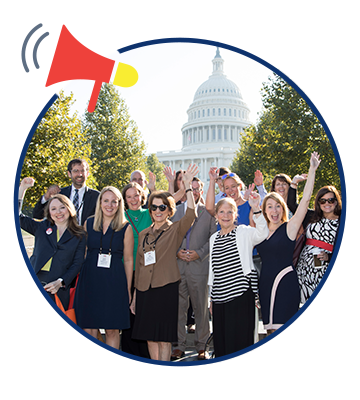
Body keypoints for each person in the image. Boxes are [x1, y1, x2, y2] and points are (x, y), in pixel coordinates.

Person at [130, 164, 198, 361]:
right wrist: (135, 295)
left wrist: (187, 188)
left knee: (164, 339)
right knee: (150, 338)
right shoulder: (143, 234)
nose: (158, 210)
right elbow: (141, 265)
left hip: (165, 289)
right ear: (149, 210)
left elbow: (191, 214)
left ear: (169, 210)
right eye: (154, 207)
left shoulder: (175, 229)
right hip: (144, 290)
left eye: (162, 207)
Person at [256, 152, 321, 334]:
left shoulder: (290, 228)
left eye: (278, 206)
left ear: (283, 209)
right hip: (265, 285)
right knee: (269, 331)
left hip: (286, 282)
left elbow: (306, 199)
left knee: (283, 331)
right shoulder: (260, 232)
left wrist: (312, 169)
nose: (274, 210)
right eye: (269, 206)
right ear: (264, 211)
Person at [208, 194, 268, 357]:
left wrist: (256, 210)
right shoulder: (213, 238)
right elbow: (214, 270)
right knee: (222, 345)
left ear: (235, 215)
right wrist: (212, 299)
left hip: (241, 296)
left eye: (229, 212)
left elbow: (263, 233)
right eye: (221, 212)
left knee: (241, 344)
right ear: (216, 215)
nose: (225, 216)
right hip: (219, 300)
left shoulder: (243, 232)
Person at [74, 186, 134, 349]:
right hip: (90, 279)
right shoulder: (89, 223)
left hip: (114, 281)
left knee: (112, 330)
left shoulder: (126, 227)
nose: (110, 205)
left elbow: (128, 260)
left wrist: (128, 289)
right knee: (89, 327)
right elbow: (84, 252)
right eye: (106, 201)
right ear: (100, 203)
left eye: (114, 201)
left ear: (119, 204)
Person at [19, 177, 86, 310]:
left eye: (62, 208)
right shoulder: (41, 227)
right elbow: (17, 216)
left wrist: (61, 282)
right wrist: (22, 189)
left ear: (69, 208)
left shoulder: (80, 235)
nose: (58, 212)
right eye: (53, 209)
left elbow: (77, 264)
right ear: (49, 212)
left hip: (58, 287)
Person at [170, 177, 217, 360]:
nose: (194, 191)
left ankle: (202, 346)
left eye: (197, 189)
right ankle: (178, 345)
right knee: (179, 309)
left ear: (201, 191)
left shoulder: (209, 212)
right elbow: (168, 234)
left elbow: (212, 239)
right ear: (184, 189)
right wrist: (176, 252)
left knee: (201, 309)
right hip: (178, 266)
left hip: (199, 266)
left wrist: (199, 253)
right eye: (191, 188)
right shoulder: (174, 212)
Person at [120, 182, 152, 358]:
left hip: (147, 270)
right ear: (125, 199)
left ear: (142, 196)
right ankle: (130, 353)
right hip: (127, 269)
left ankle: (145, 354)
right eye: (129, 196)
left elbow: (170, 201)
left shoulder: (150, 213)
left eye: (136, 195)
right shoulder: (121, 217)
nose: (133, 199)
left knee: (144, 312)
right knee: (129, 312)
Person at [293, 185, 341, 303]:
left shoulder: (342, 221)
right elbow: (292, 204)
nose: (327, 203)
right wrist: (294, 183)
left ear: (336, 202)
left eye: (331, 200)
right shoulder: (311, 216)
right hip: (304, 269)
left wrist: (329, 257)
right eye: (322, 200)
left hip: (325, 270)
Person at [33, 159, 99, 225]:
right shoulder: (59, 194)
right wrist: (46, 197)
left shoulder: (97, 196)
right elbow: (37, 215)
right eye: (76, 171)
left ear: (87, 173)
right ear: (69, 174)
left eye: (82, 170)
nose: (80, 174)